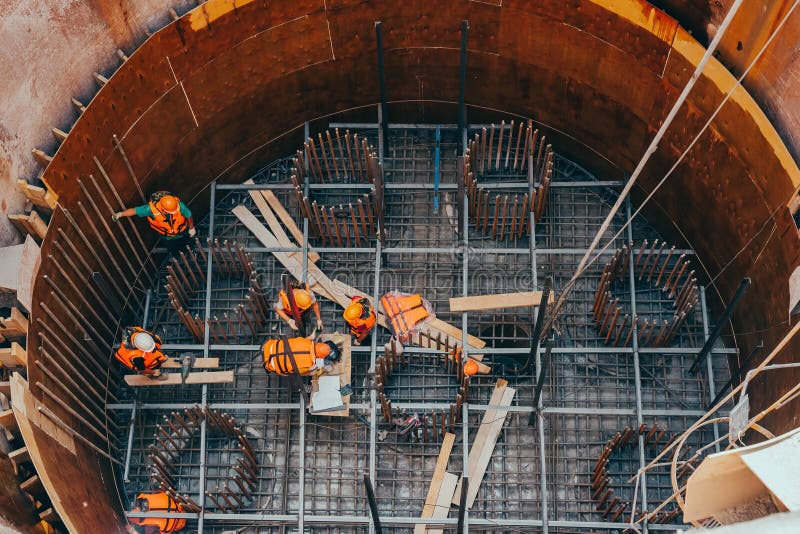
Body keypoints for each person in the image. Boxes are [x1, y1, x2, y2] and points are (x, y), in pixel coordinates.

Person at [112, 191, 196, 256]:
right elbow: (135, 211)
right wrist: (121, 214)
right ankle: (177, 256)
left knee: (188, 243)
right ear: (163, 209)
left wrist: (191, 228)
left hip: (182, 231)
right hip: (168, 237)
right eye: (172, 211)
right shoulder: (150, 209)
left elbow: (188, 214)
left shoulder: (177, 205)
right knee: (174, 249)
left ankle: (191, 251)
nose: (175, 211)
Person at [262, 335, 341, 376]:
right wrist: (314, 372)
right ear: (321, 357)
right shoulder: (309, 364)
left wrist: (311, 337)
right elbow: (300, 373)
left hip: (268, 347)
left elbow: (305, 339)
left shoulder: (305, 342)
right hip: (270, 364)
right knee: (288, 372)